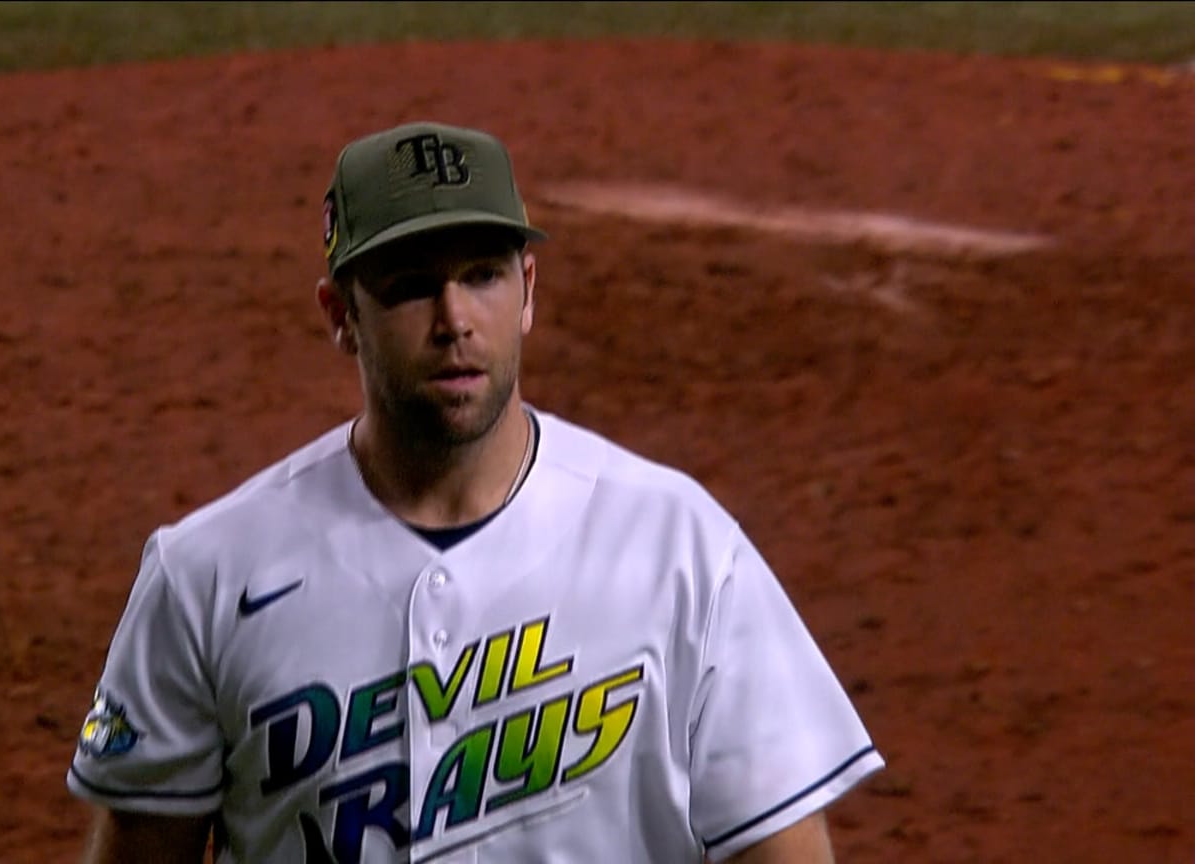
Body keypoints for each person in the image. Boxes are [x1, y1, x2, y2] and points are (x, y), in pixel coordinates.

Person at [66, 120, 885, 863]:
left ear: (529, 290)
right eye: (411, 285)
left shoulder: (681, 548)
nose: (454, 317)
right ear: (339, 313)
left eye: (484, 275)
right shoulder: (205, 573)